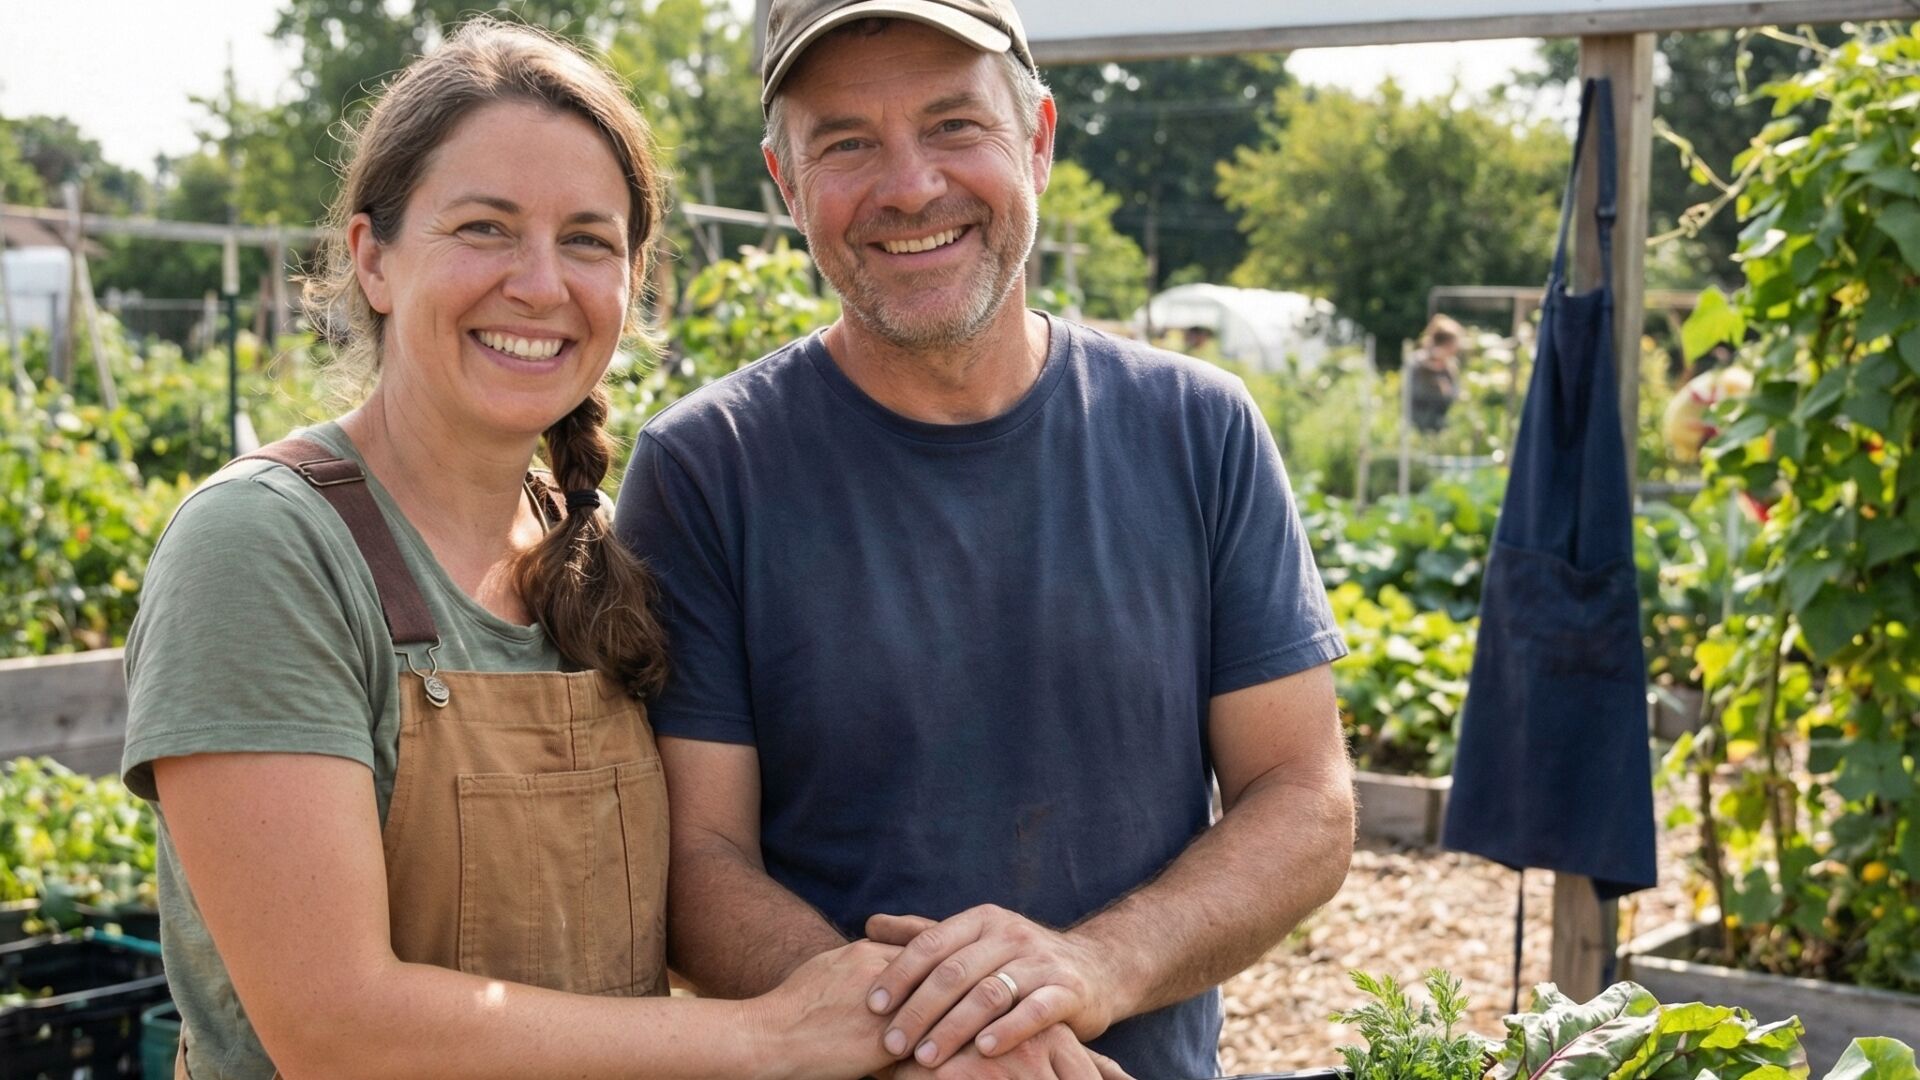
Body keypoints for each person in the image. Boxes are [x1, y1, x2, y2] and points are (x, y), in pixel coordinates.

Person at [120, 21, 906, 1080]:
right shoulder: (265, 548)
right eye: (485, 228)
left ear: (633, 280)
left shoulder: (592, 550)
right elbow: (334, 1026)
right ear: (373, 258)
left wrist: (934, 1003)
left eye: (587, 240)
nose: (540, 284)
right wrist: (768, 1037)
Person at [612, 2, 1357, 1077]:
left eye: (956, 125)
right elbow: (694, 860)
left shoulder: (1198, 430)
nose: (910, 186)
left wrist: (1091, 967)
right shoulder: (706, 469)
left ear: (1040, 141)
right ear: (786, 184)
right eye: (848, 143)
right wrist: (931, 1043)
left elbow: (1303, 797)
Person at [1407, 313, 1466, 433]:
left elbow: (1454, 396)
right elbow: (1410, 393)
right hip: (1416, 424)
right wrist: (1430, 370)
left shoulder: (1450, 366)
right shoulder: (1417, 362)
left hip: (1441, 426)